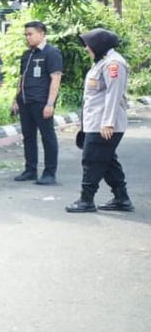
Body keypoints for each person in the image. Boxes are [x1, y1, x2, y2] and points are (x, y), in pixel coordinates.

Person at [66, 29, 133, 213]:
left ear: (99, 44)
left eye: (89, 44)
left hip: (105, 125)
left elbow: (114, 94)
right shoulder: (102, 62)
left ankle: (86, 200)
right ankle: (122, 199)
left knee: (92, 161)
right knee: (107, 161)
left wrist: (108, 123)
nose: (87, 48)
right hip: (95, 122)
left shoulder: (114, 64)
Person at [11, 20, 63, 185]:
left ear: (42, 34)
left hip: (41, 102)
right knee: (28, 136)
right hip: (25, 101)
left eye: (30, 34)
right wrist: (15, 100)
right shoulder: (27, 54)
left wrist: (50, 103)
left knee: (47, 136)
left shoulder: (51, 53)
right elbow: (21, 79)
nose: (28, 37)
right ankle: (30, 170)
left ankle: (49, 173)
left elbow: (56, 79)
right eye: (26, 34)